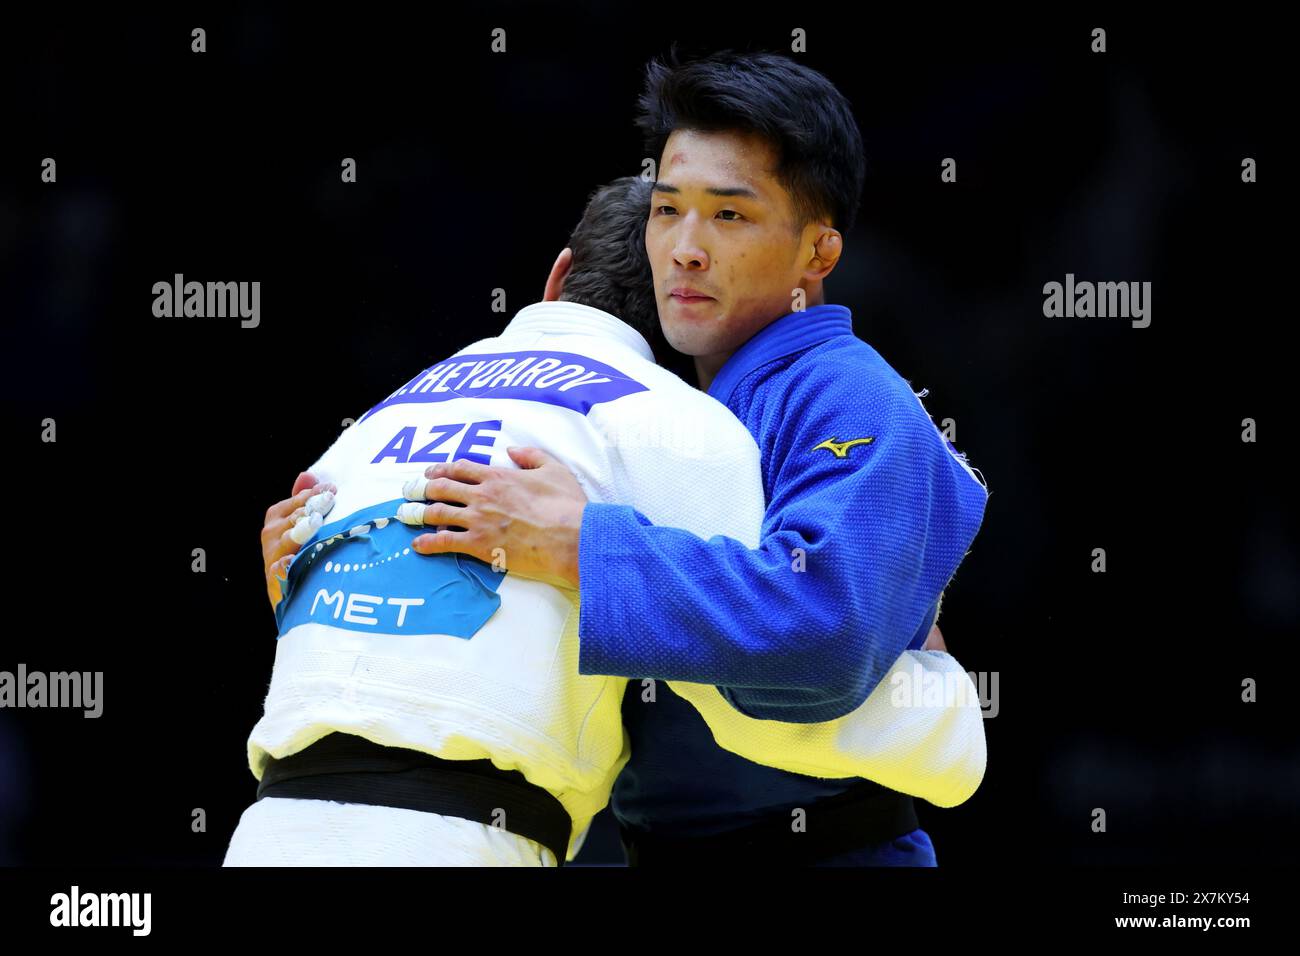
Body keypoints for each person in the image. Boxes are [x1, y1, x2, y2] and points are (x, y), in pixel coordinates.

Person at [224, 175, 986, 867]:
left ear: (558, 277)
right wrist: (945, 716)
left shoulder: (382, 417)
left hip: (265, 833)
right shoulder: (685, 426)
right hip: (473, 841)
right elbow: (769, 673)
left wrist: (583, 551)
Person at [401, 50, 990, 866]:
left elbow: (825, 631)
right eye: (668, 209)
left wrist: (583, 547)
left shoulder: (850, 394)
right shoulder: (659, 412)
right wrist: (338, 547)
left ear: (819, 253)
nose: (684, 248)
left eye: (730, 216)